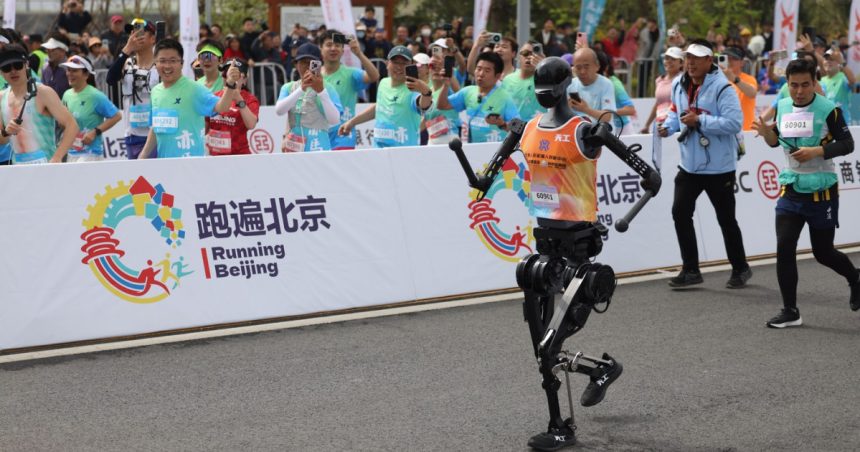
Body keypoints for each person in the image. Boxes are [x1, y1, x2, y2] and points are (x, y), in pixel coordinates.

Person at [752, 58, 860, 328]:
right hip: (791, 188)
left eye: (804, 85)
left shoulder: (828, 110)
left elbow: (848, 144)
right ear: (787, 84)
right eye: (793, 85)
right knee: (784, 247)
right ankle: (790, 310)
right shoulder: (783, 106)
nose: (799, 91)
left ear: (815, 83)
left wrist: (817, 151)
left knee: (823, 252)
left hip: (821, 189)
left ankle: (855, 278)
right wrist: (767, 134)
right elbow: (777, 142)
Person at [658, 40, 753, 288]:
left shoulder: (723, 88)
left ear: (709, 60)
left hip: (719, 167)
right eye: (688, 57)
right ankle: (691, 270)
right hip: (689, 165)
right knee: (680, 212)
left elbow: (734, 123)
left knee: (726, 219)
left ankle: (741, 268)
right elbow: (674, 111)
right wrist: (667, 126)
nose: (690, 62)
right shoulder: (679, 83)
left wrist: (700, 121)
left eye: (697, 58)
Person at [138, 39, 242, 159]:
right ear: (155, 63)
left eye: (173, 61)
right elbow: (156, 127)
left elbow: (222, 107)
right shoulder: (155, 91)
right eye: (162, 61)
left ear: (181, 63)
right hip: (165, 165)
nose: (167, 66)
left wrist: (230, 83)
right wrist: (144, 154)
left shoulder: (194, 89)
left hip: (191, 166)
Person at [339, 46, 432, 148]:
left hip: (403, 152)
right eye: (395, 62)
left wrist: (426, 92)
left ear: (411, 66)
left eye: (404, 63)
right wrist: (352, 122)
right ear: (387, 64)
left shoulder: (413, 88)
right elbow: (379, 108)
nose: (399, 67)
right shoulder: (384, 83)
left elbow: (424, 105)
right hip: (379, 150)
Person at [0, 45, 79, 164]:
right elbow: (2, 140)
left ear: (26, 65)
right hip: (17, 169)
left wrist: (57, 157)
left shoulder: (43, 92)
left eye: (17, 65)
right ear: (1, 72)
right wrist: (6, 132)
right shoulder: (1, 97)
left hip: (46, 166)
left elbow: (72, 125)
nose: (13, 71)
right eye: (7, 68)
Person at [437, 52, 520, 143]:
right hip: (470, 150)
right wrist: (445, 85)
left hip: (494, 151)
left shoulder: (505, 97)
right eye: (479, 69)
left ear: (498, 76)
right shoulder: (468, 91)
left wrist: (502, 124)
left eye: (487, 71)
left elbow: (519, 128)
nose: (481, 74)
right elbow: (442, 105)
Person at [106, 19, 158, 159]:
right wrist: (127, 50)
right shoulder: (127, 62)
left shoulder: (160, 65)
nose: (135, 36)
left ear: (153, 38)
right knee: (136, 179)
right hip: (131, 135)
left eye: (141, 32)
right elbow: (110, 79)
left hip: (155, 135)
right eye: (132, 32)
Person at [320, 30, 380, 150]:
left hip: (343, 134)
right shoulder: (314, 76)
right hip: (319, 134)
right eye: (329, 45)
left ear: (343, 50)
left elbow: (374, 76)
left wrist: (358, 54)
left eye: (337, 45)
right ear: (321, 48)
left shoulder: (351, 73)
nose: (333, 48)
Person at [275, 43, 342, 152]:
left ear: (320, 65)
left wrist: (321, 92)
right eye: (303, 63)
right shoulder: (289, 87)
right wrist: (301, 88)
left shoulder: (328, 88)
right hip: (294, 147)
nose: (307, 67)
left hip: (318, 145)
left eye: (311, 63)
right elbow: (279, 110)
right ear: (296, 65)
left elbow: (334, 119)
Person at [60, 55, 121, 162]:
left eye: (74, 71)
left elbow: (117, 116)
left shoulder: (95, 95)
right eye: (68, 70)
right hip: (72, 152)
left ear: (86, 74)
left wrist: (94, 132)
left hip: (91, 154)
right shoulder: (67, 95)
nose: (70, 74)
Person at [207, 58, 260, 155]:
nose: (229, 78)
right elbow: (204, 127)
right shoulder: (214, 97)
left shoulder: (250, 99)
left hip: (239, 156)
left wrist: (238, 98)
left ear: (244, 80)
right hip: (214, 157)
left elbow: (251, 124)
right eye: (225, 74)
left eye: (234, 74)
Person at [567, 48, 616, 123]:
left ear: (597, 66)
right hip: (578, 131)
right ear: (573, 68)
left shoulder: (606, 84)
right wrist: (566, 108)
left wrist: (586, 109)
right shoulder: (570, 85)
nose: (582, 71)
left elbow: (607, 117)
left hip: (601, 132)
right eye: (578, 67)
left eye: (586, 67)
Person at [641, 46, 684, 133]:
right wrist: (647, 125)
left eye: (673, 59)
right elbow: (657, 104)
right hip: (660, 124)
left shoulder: (683, 79)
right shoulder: (659, 80)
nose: (669, 61)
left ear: (681, 63)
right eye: (667, 58)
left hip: (676, 126)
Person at [501, 41, 546, 122]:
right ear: (518, 57)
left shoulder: (543, 80)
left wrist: (545, 67)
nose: (529, 57)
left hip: (534, 131)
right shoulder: (507, 80)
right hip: (511, 130)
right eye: (525, 53)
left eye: (534, 54)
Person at [721, 46, 757, 131]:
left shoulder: (749, 79)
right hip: (726, 131)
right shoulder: (718, 80)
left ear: (742, 63)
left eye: (734, 58)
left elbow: (752, 93)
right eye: (727, 58)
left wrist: (734, 79)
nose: (730, 61)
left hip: (746, 131)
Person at [819, 48, 855, 125]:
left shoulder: (844, 78)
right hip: (825, 125)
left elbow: (853, 81)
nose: (828, 61)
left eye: (832, 59)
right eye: (826, 59)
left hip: (842, 124)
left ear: (839, 63)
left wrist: (843, 63)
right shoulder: (821, 81)